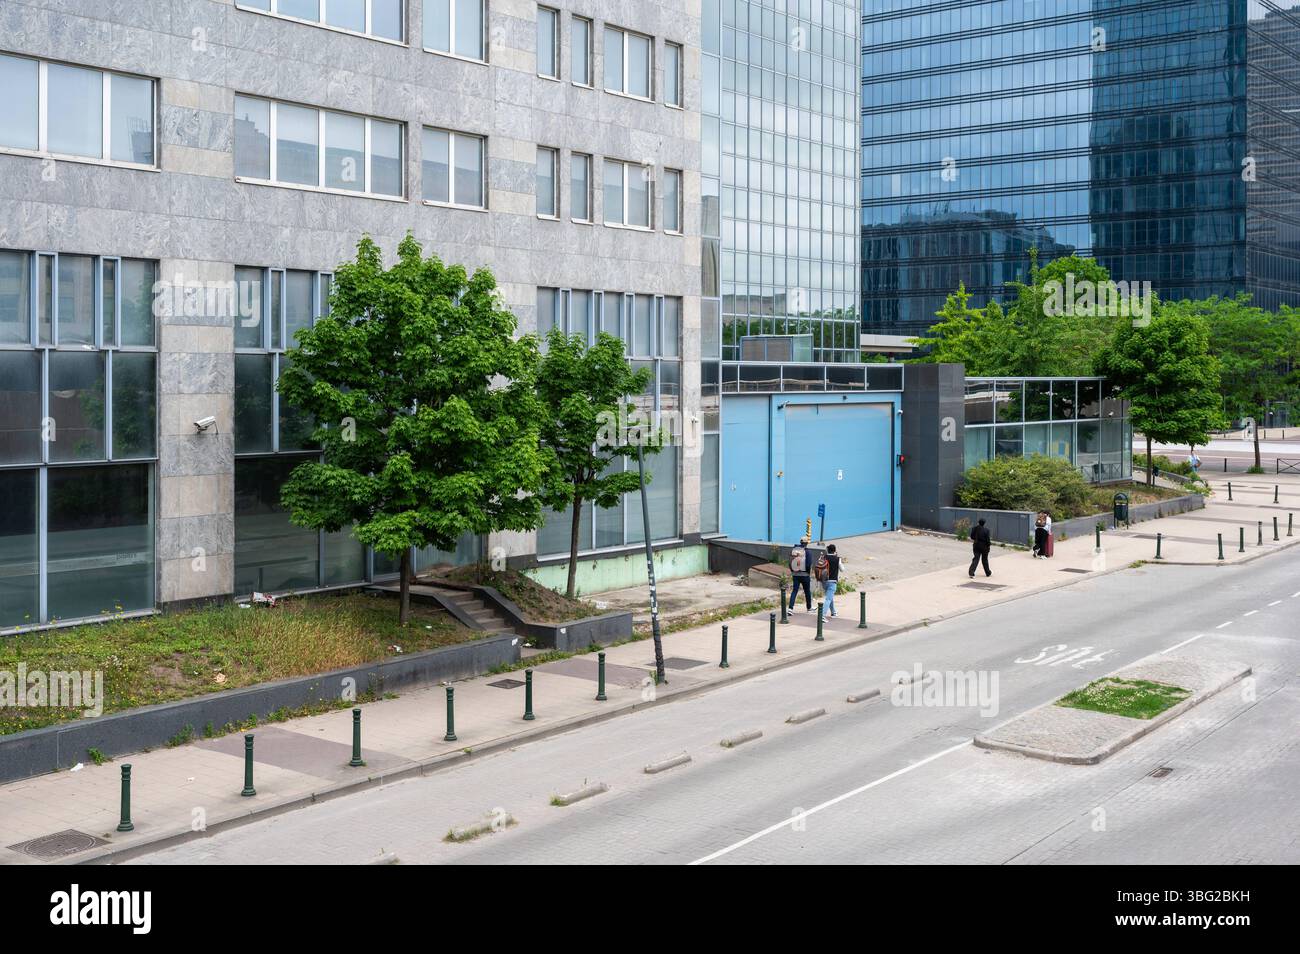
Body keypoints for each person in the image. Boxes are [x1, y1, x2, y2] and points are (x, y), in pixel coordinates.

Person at [788, 536, 813, 612]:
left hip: (795, 574)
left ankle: (790, 608)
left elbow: (789, 562)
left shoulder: (794, 550)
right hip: (805, 574)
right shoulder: (807, 551)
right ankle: (809, 608)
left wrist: (793, 570)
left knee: (794, 591)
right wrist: (808, 573)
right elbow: (808, 564)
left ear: (800, 542)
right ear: (806, 543)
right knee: (807, 591)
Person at [816, 544, 842, 617]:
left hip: (823, 581)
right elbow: (842, 569)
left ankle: (833, 612)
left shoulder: (823, 558)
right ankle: (822, 615)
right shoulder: (837, 559)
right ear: (835, 551)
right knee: (828, 599)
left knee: (830, 597)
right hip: (832, 582)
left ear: (827, 550)